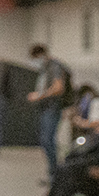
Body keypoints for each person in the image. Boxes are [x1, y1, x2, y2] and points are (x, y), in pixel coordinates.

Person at [25, 44, 70, 181]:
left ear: (40, 55)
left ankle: (56, 174)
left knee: (48, 140)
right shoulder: (45, 68)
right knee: (46, 140)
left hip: (53, 107)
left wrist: (40, 96)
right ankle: (53, 173)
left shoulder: (54, 66)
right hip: (46, 107)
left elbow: (58, 88)